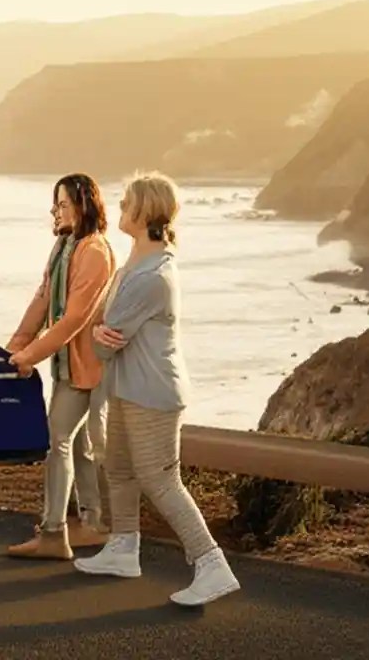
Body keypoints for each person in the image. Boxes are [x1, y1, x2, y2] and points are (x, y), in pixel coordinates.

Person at [75, 171, 241, 606]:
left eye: (127, 201)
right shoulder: (134, 261)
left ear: (144, 210)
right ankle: (123, 549)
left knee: (161, 480)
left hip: (152, 393)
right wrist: (100, 333)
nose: (120, 207)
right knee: (120, 468)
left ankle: (211, 564)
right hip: (129, 388)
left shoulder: (152, 276)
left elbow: (106, 342)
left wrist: (98, 335)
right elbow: (102, 329)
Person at [5, 173, 116, 560]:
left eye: (62, 204)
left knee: (58, 442)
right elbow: (42, 298)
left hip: (91, 367)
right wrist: (16, 344)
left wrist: (30, 355)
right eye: (54, 205)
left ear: (82, 205)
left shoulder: (94, 252)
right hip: (70, 365)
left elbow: (74, 320)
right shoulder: (65, 247)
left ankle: (54, 533)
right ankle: (91, 523)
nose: (55, 212)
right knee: (80, 446)